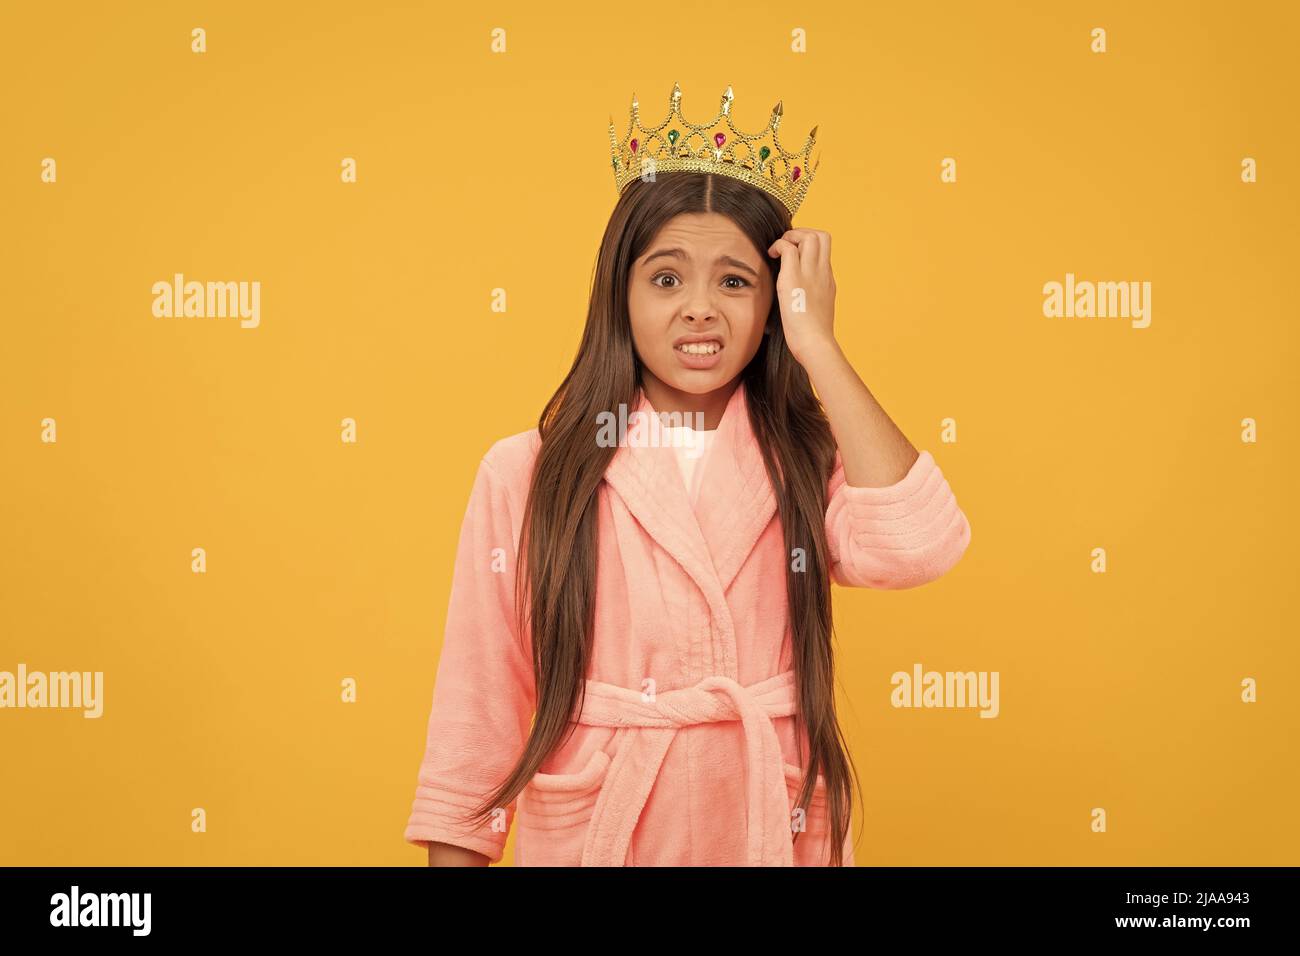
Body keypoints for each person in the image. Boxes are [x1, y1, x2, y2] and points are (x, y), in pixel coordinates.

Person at [404, 84, 972, 866]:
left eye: (735, 282)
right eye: (666, 279)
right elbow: (479, 708)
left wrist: (821, 346)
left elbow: (919, 549)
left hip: (765, 824)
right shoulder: (527, 474)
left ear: (773, 305)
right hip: (604, 828)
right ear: (621, 293)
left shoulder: (804, 459)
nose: (700, 309)